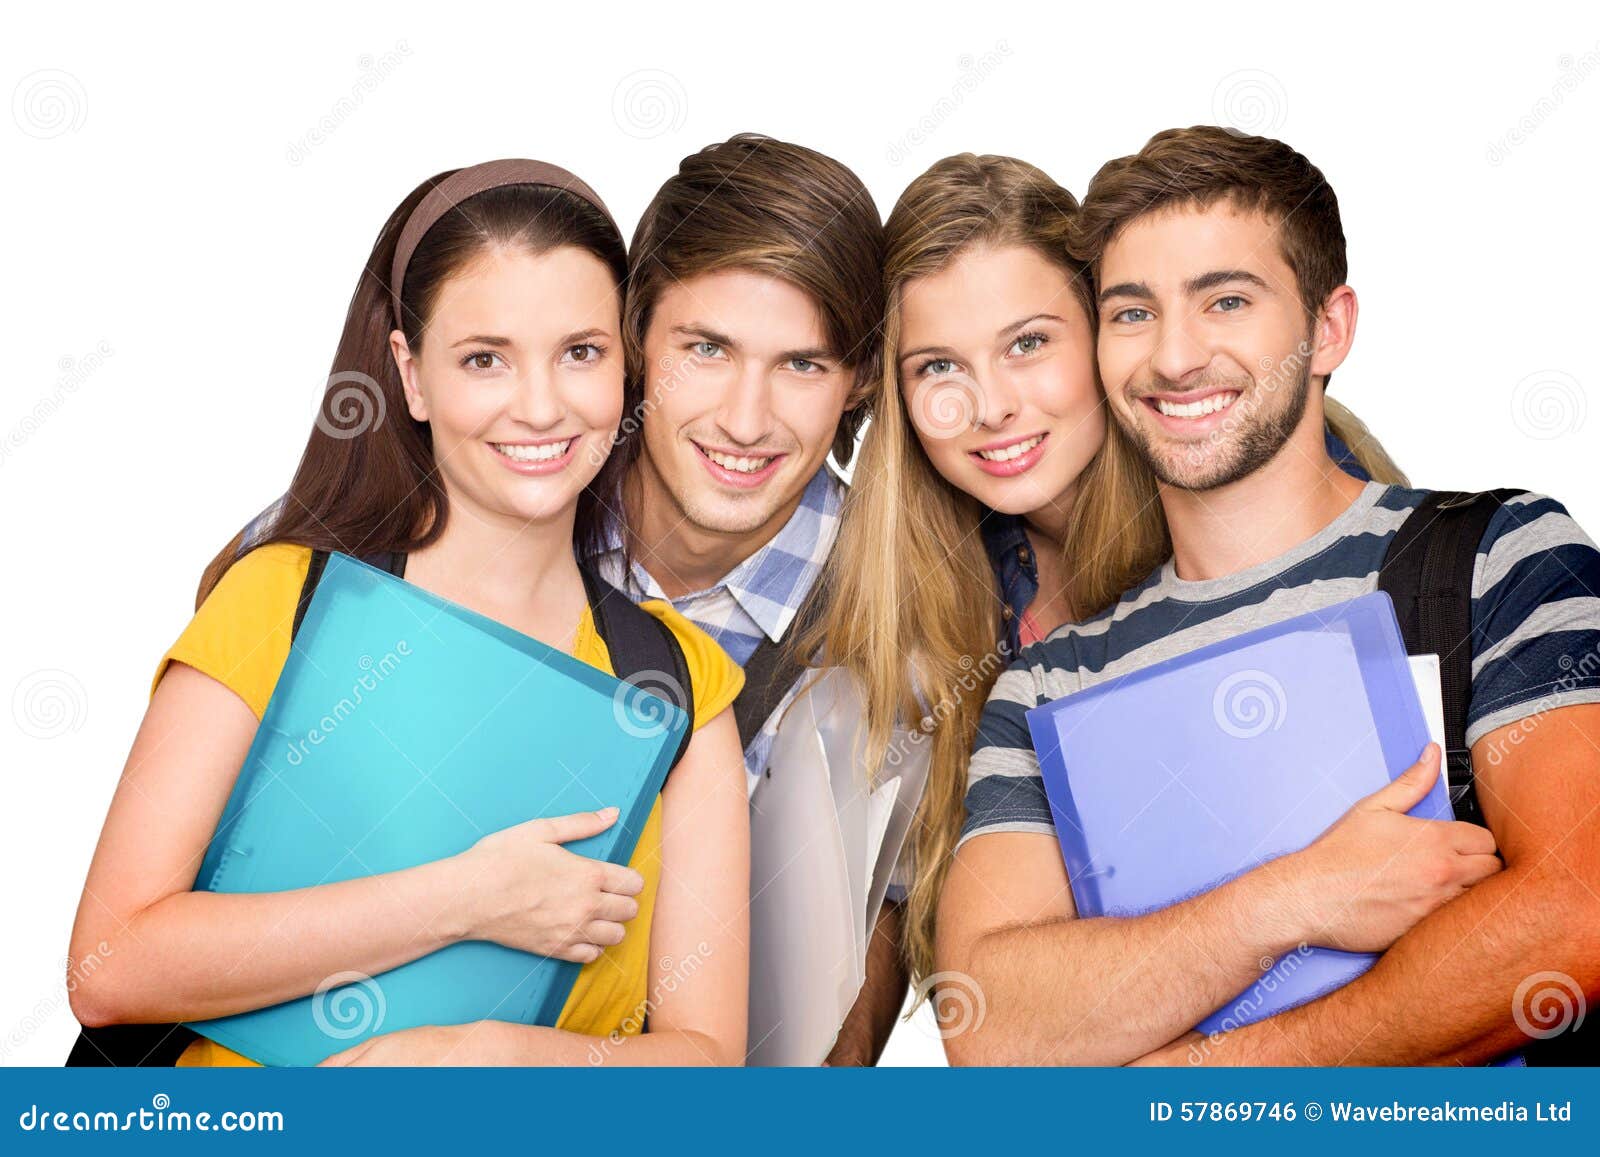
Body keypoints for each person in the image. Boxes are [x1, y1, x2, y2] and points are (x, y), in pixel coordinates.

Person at [935, 127, 1600, 1066]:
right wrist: (1297, 898)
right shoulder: (1047, 685)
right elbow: (991, 1029)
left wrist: (1194, 1085)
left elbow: (1576, 914)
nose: (1174, 357)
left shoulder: (1500, 556)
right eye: (1133, 314)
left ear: (1329, 329)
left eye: (1228, 301)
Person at [66, 160, 750, 1067]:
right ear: (412, 375)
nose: (541, 405)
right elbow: (108, 968)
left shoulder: (675, 685)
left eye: (580, 352)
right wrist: (466, 898)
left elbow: (705, 1062)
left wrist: (490, 1060)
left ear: (627, 367)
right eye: (484, 359)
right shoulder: (282, 599)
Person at [801, 150, 1404, 998]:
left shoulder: (1260, 492)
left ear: (1110, 330)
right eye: (938, 366)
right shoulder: (935, 602)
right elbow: (911, 925)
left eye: (1029, 343)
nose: (992, 406)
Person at [591, 134, 907, 1065]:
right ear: (635, 338)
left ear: (857, 378)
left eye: (802, 364)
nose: (744, 418)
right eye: (707, 347)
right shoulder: (521, 491)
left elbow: (844, 1015)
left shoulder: (902, 627)